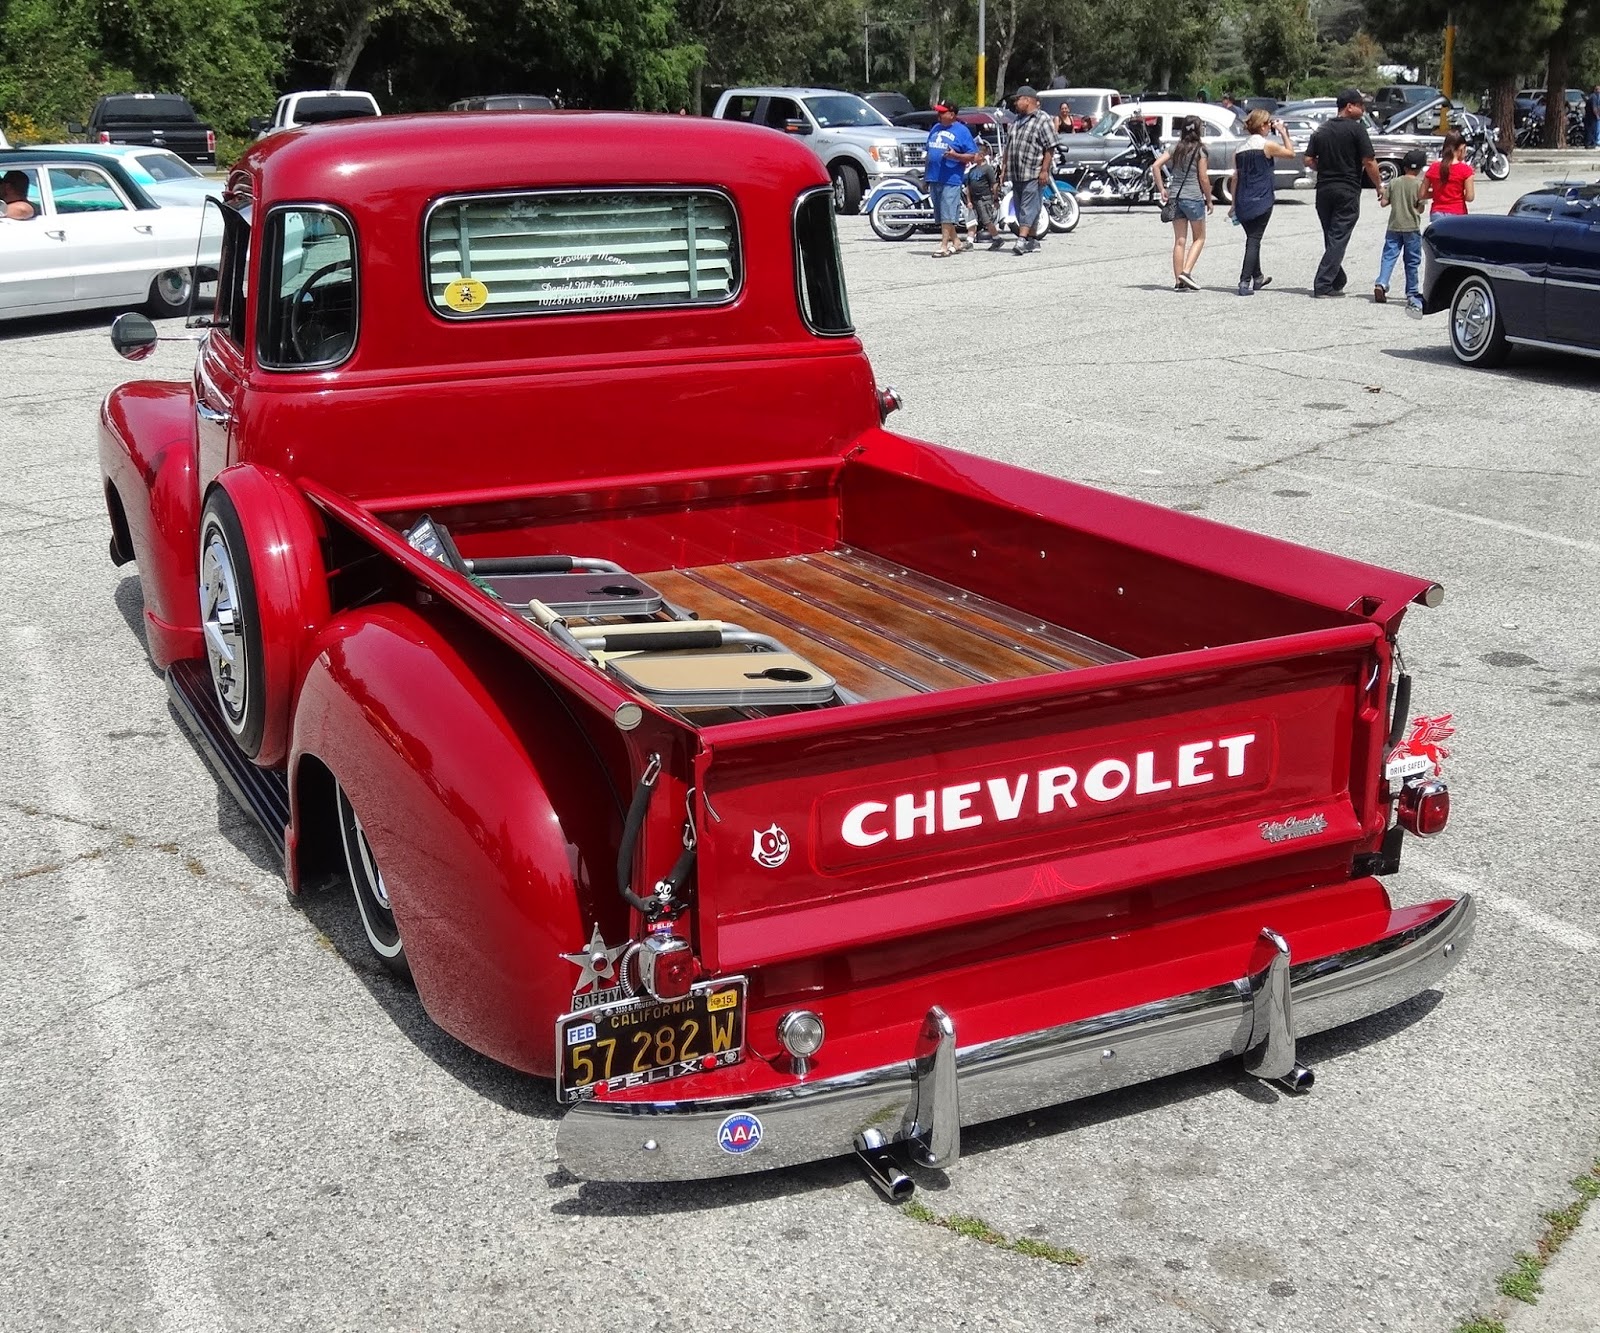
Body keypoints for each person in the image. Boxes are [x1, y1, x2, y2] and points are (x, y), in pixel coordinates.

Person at [1304, 88, 1385, 298]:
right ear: (1349, 106)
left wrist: (1325, 167)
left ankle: (1336, 279)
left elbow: (1309, 160)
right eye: (1361, 105)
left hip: (1324, 190)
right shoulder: (1357, 130)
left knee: (1331, 235)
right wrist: (1379, 185)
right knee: (1338, 236)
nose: (1363, 109)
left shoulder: (1321, 129)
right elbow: (1368, 161)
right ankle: (1322, 283)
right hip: (1347, 189)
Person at [1228, 109, 1296, 296]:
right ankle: (1244, 281)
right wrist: (1283, 132)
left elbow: (1235, 177)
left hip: (1242, 199)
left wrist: (1233, 203)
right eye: (1268, 124)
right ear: (1262, 126)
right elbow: (1291, 153)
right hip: (1262, 199)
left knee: (1252, 238)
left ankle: (1258, 277)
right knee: (1254, 240)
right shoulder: (1266, 145)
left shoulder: (1239, 149)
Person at [994, 85, 1057, 255]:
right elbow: (1009, 147)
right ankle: (1032, 240)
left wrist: (1044, 170)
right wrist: (1003, 170)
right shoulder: (1016, 120)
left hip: (1033, 171)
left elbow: (1050, 147)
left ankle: (1021, 240)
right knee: (1023, 204)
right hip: (1016, 172)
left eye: (1017, 100)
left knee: (1027, 206)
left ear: (1027, 100)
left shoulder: (1042, 119)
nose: (1015, 103)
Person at [1153, 115, 1213, 290]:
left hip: (1176, 197)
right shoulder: (1201, 150)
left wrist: (1162, 188)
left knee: (1180, 240)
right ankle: (1186, 272)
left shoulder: (1175, 148)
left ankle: (1179, 281)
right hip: (1193, 197)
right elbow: (1203, 177)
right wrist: (1209, 198)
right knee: (1199, 237)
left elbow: (1155, 166)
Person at [1373, 149, 1426, 309]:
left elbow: (1383, 203)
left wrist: (1383, 194)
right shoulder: (1419, 185)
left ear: (1404, 167)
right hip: (1412, 227)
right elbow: (1421, 209)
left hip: (1394, 226)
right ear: (1420, 169)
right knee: (1412, 261)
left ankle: (1381, 283)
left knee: (1389, 257)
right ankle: (1412, 292)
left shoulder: (1394, 183)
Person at [924, 103, 978, 258]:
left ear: (952, 114)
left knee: (948, 212)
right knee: (941, 214)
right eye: (938, 113)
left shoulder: (962, 131)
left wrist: (956, 156)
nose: (939, 116)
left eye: (942, 113)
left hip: (951, 178)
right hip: (934, 177)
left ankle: (944, 246)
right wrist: (926, 176)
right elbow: (929, 153)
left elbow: (972, 155)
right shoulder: (935, 128)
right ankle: (957, 242)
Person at [1419, 131, 1475, 217]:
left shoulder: (1434, 167)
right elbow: (1470, 197)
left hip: (1437, 212)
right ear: (1462, 148)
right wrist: (1455, 195)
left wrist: (1438, 194)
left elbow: (1422, 194)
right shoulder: (1466, 170)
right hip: (1458, 212)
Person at [964, 139, 1006, 250]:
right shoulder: (972, 170)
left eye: (974, 154)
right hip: (974, 199)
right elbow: (968, 187)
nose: (972, 157)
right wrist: (968, 200)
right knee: (972, 220)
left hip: (984, 198)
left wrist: (995, 198)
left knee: (986, 220)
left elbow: (994, 184)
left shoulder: (987, 169)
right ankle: (969, 241)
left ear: (981, 156)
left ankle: (997, 238)